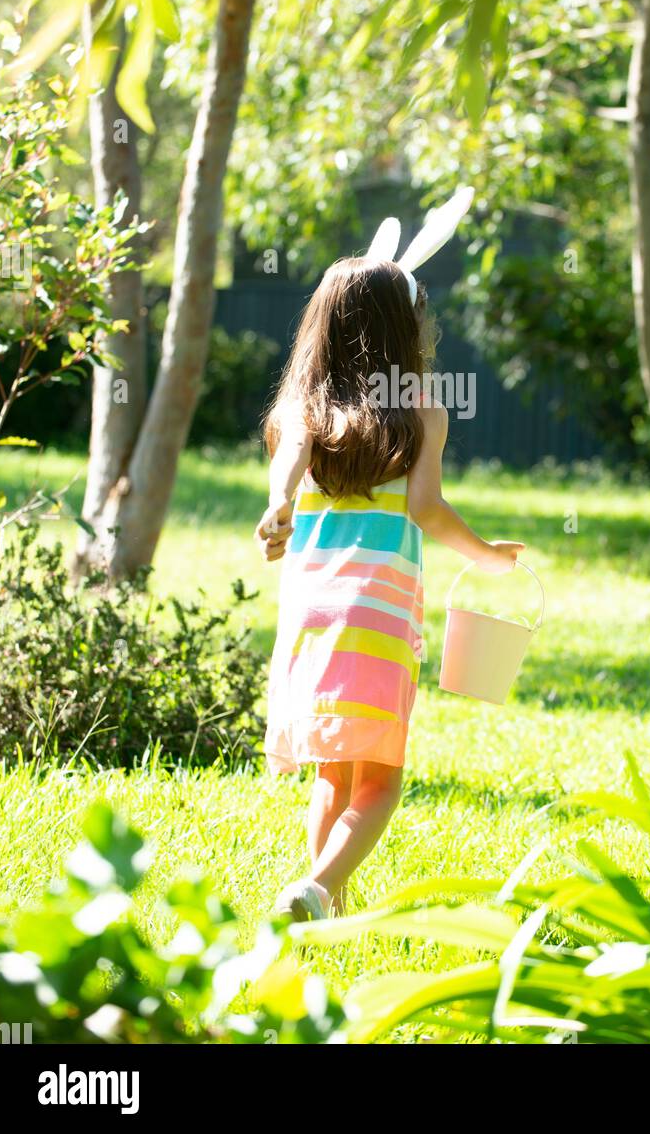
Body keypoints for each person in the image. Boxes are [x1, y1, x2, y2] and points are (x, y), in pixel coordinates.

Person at [255, 191, 524, 920]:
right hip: (375, 613)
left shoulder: (297, 409)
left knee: (333, 772)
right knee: (380, 777)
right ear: (403, 331)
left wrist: (280, 505)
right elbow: (426, 510)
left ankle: (321, 901)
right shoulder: (421, 412)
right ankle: (319, 887)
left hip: (309, 612)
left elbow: (287, 470)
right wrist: (487, 554)